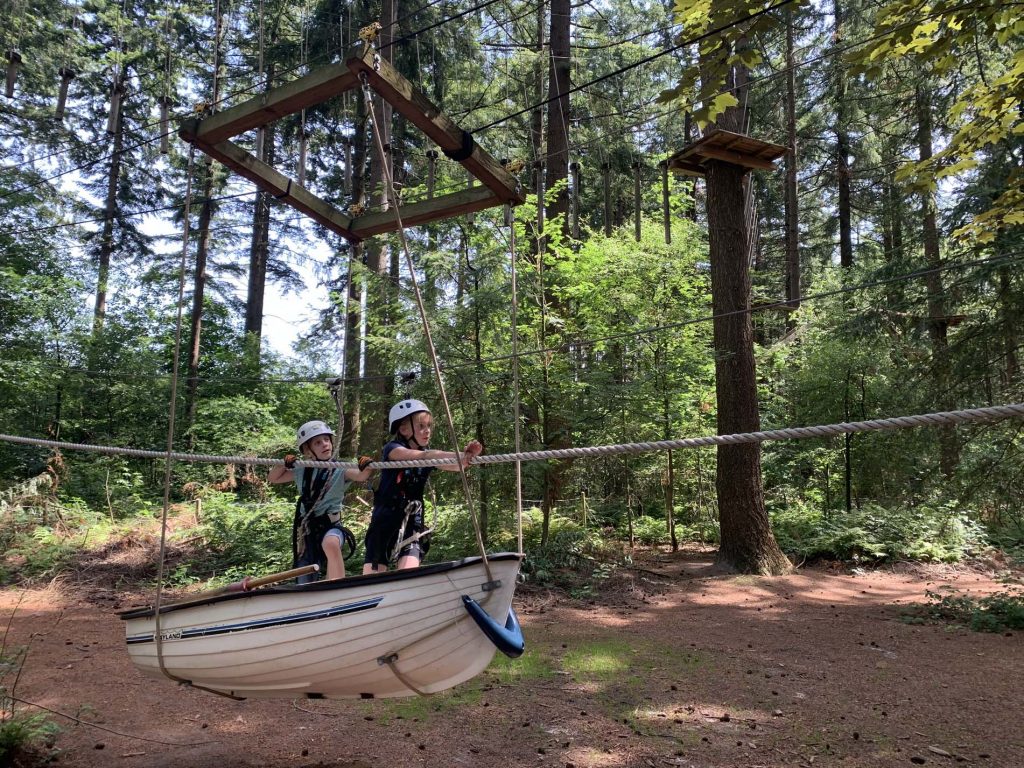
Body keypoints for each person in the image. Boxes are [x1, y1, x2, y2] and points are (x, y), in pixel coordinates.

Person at [363, 399, 483, 574]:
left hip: (412, 520)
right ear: (403, 429)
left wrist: (466, 458)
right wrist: (460, 455)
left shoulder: (427, 455)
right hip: (385, 518)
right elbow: (425, 456)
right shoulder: (393, 449)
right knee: (373, 577)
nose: (427, 430)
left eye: (429, 426)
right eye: (421, 426)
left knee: (408, 574)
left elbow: (455, 466)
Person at [269, 420, 374, 583]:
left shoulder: (339, 469)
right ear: (307, 450)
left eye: (326, 440)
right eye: (318, 442)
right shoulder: (301, 470)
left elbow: (361, 475)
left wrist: (367, 465)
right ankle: (312, 597)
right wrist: (284, 464)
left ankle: (336, 586)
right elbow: (274, 478)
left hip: (332, 527)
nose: (325, 444)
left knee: (331, 543)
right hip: (308, 532)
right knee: (304, 579)